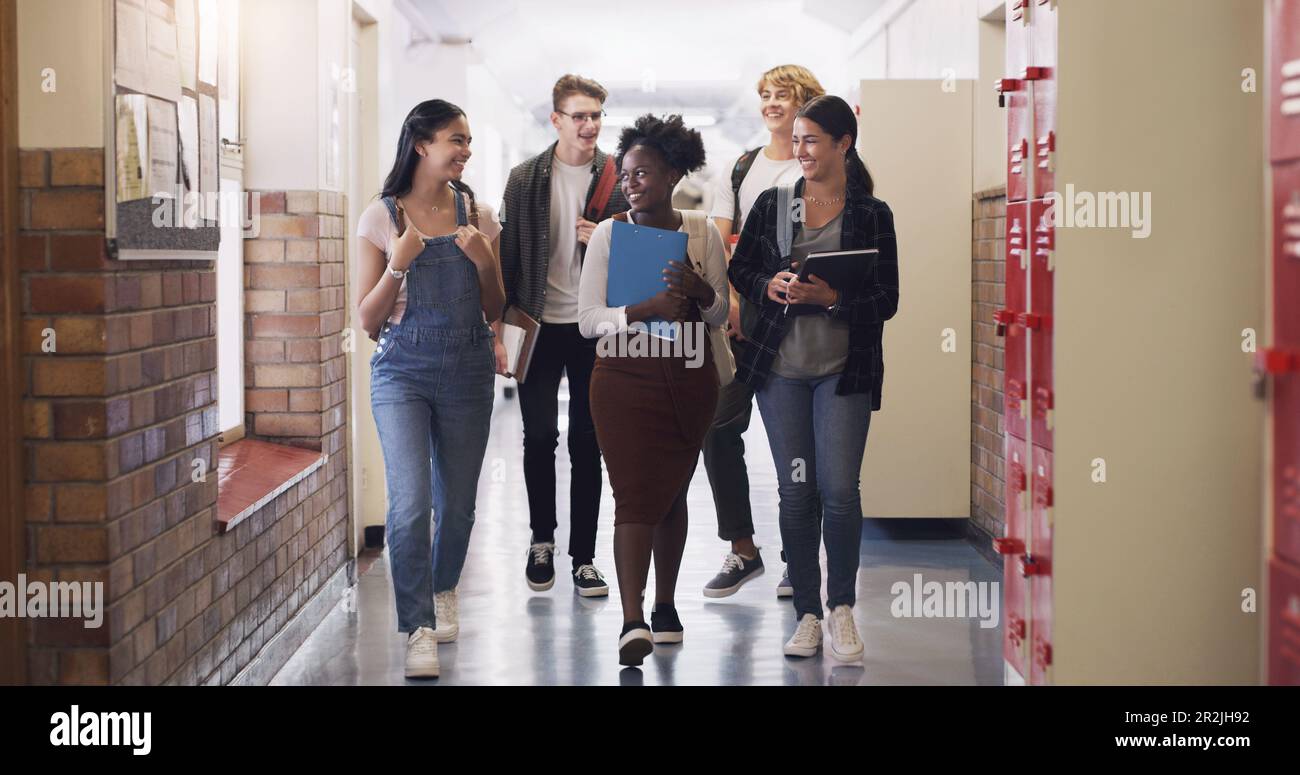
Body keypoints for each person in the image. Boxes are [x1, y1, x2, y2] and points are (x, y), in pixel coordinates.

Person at [727, 95, 899, 663]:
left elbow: (887, 299)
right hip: (782, 372)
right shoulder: (775, 205)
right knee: (797, 493)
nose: (799, 150)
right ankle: (806, 612)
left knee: (840, 492)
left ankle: (841, 608)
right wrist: (768, 285)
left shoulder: (872, 214)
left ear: (843, 144)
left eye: (811, 140)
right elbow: (741, 268)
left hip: (842, 374)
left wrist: (833, 299)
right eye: (796, 139)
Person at [356, 100, 505, 679]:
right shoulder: (382, 216)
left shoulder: (479, 214)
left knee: (459, 504)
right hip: (402, 371)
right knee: (411, 501)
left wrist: (484, 260)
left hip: (469, 366)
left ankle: (444, 590)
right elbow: (367, 322)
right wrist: (397, 265)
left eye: (468, 140)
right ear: (421, 144)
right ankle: (417, 625)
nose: (464, 150)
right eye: (455, 139)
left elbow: (495, 307)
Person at [577, 115, 729, 666]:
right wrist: (645, 310)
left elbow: (718, 317)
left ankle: (665, 606)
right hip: (621, 380)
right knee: (635, 497)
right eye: (627, 174)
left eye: (643, 174)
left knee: (671, 494)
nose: (631, 183)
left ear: (672, 175)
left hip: (689, 379)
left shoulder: (702, 232)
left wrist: (701, 291)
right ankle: (631, 619)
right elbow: (588, 320)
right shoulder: (610, 236)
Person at [497, 74, 629, 597]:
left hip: (592, 326)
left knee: (588, 440)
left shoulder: (619, 178)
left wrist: (608, 241)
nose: (590, 125)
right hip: (537, 324)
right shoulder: (524, 178)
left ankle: (585, 557)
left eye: (596, 115)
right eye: (579, 115)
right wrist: (499, 333)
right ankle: (541, 541)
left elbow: (639, 258)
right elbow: (506, 265)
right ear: (556, 120)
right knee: (539, 436)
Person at [703, 65, 826, 599]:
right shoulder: (745, 166)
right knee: (718, 428)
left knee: (795, 450)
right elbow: (719, 239)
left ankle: (798, 562)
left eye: (783, 95)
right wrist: (729, 296)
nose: (772, 104)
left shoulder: (826, 164)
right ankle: (743, 548)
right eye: (766, 96)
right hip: (746, 318)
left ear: (807, 102)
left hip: (802, 327)